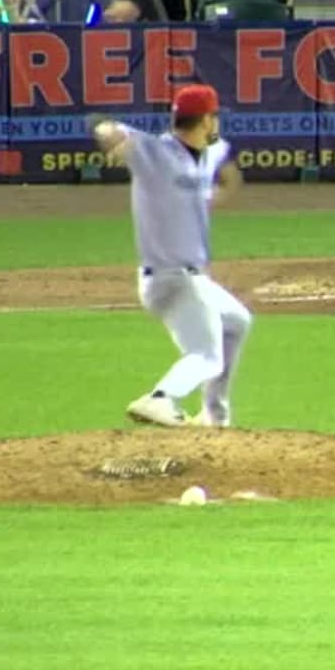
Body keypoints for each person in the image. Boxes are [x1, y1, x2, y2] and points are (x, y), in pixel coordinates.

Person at [90, 84, 251, 429]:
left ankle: (214, 414)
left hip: (191, 277)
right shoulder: (155, 152)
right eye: (214, 116)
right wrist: (111, 138)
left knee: (237, 321)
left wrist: (224, 188)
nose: (216, 123)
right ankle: (159, 398)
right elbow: (102, 126)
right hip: (172, 278)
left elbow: (219, 165)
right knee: (208, 356)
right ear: (206, 120)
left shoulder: (206, 154)